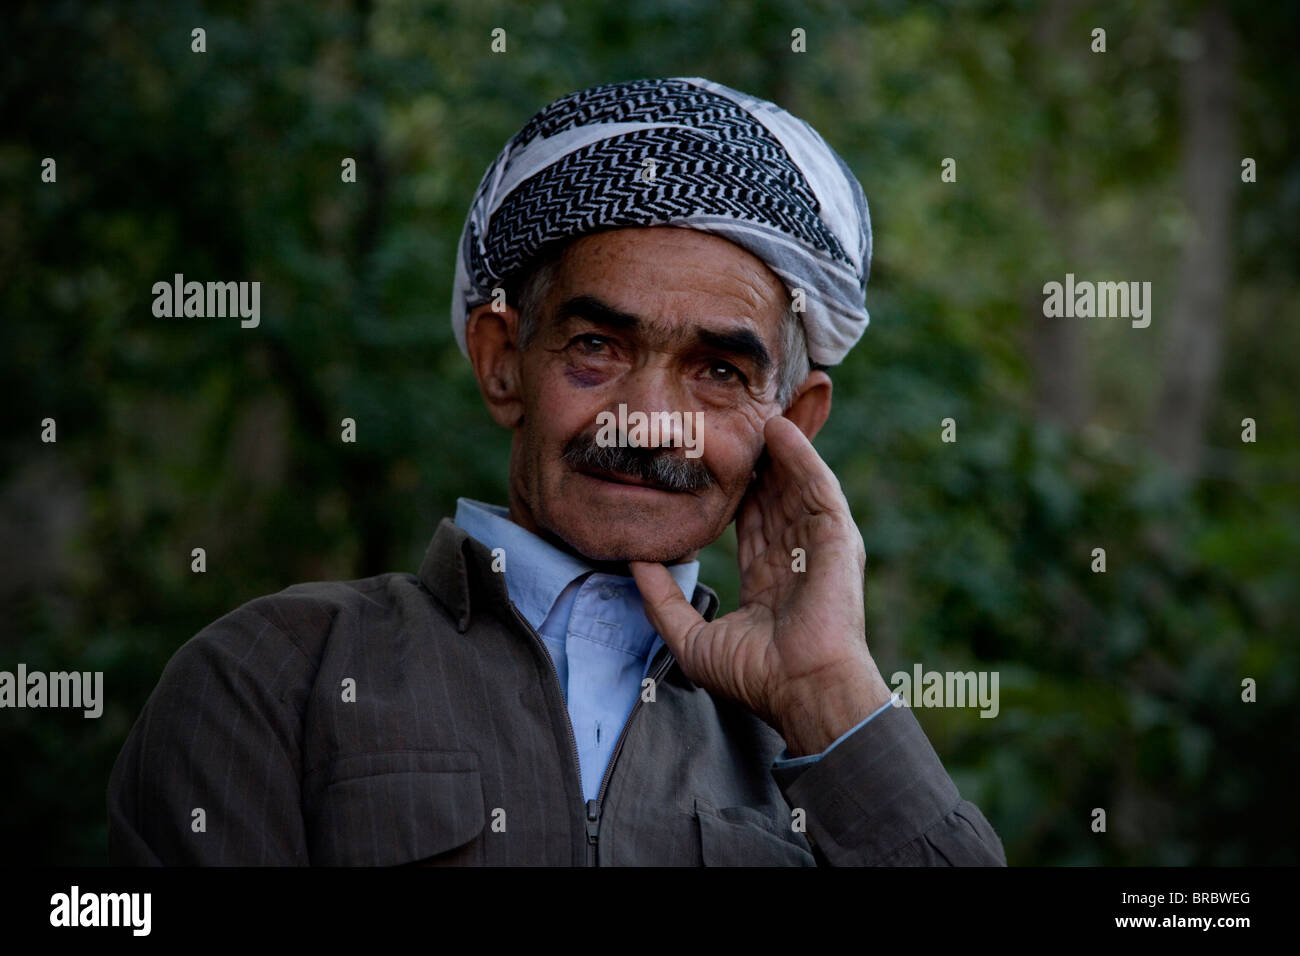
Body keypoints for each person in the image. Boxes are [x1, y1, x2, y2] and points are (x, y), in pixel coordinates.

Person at [108, 77, 1006, 866]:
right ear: (503, 363)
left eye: (719, 372)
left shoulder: (818, 745)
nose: (650, 421)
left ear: (793, 424)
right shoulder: (276, 673)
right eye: (596, 348)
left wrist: (825, 692)